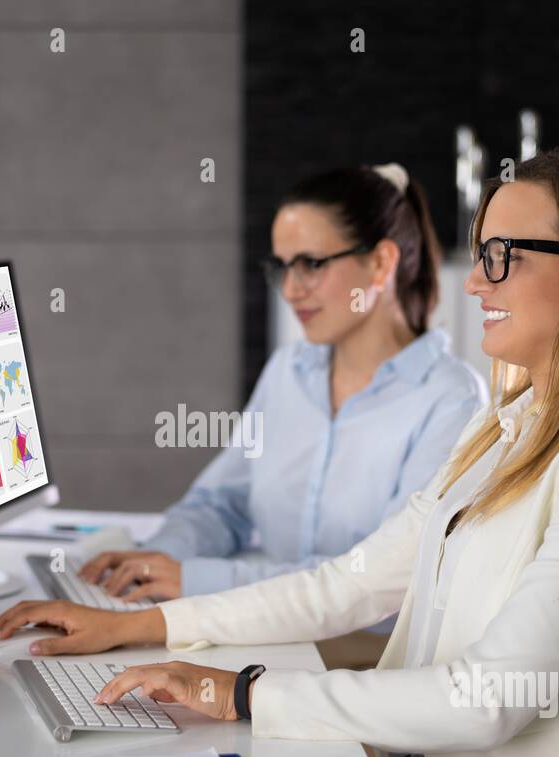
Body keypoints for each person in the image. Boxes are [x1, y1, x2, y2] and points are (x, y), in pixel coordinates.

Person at [0, 145, 559, 757]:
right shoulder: (503, 426)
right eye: (480, 253)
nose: (475, 284)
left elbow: (489, 699)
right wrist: (141, 624)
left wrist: (244, 694)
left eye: (503, 256)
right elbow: (351, 583)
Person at [78, 163, 485, 605]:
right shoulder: (288, 372)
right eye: (282, 266)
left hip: (364, 655)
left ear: (381, 263)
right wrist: (155, 561)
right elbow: (221, 505)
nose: (290, 290)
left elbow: (377, 578)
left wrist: (196, 580)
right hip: (261, 632)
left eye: (311, 264)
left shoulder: (451, 400)